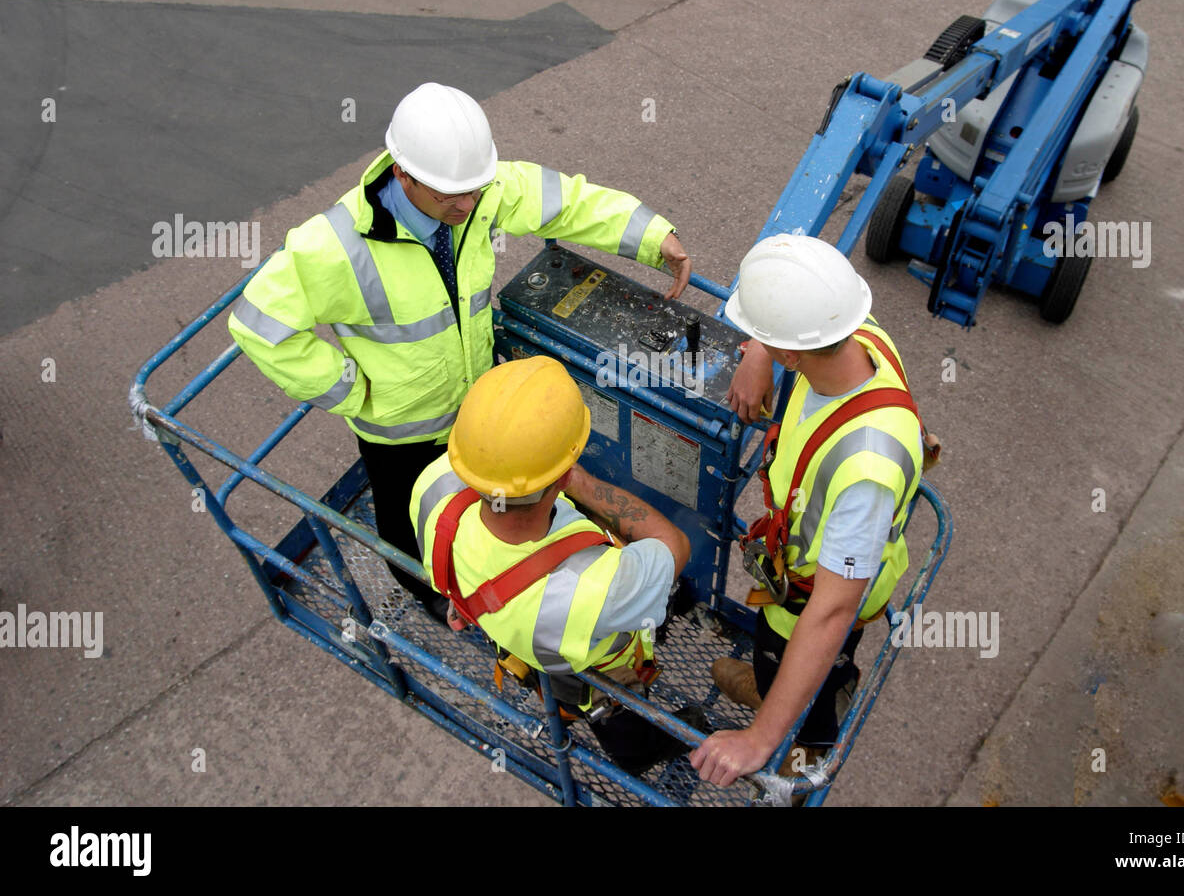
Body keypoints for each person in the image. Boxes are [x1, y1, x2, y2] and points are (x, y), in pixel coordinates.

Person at [228, 83, 690, 621]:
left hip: (476, 409)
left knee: (493, 511)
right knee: (409, 535)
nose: (467, 205)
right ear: (402, 173)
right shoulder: (334, 246)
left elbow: (566, 201)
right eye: (450, 195)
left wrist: (654, 237)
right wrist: (354, 392)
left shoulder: (475, 192)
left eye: (475, 189)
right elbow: (260, 326)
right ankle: (433, 597)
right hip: (402, 434)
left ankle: (487, 594)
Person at [691, 234, 925, 788]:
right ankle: (773, 685)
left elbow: (831, 613)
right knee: (776, 652)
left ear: (792, 353)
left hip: (809, 603)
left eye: (759, 337)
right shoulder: (859, 333)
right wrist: (757, 356)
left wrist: (757, 740)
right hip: (793, 576)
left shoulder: (865, 470)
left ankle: (806, 751)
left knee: (809, 668)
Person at [409, 355, 703, 774]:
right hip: (592, 664)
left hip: (517, 637)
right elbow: (672, 545)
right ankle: (639, 754)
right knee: (613, 703)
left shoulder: (433, 486)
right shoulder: (599, 587)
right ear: (564, 474)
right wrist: (582, 483)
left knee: (568, 688)